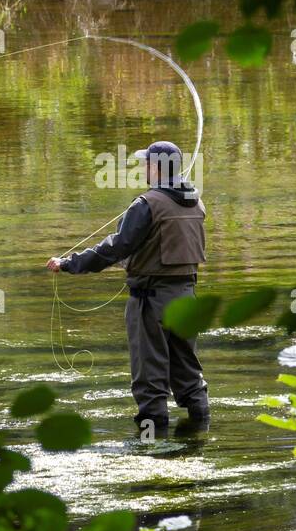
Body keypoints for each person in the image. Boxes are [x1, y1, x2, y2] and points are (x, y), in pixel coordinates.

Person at [47, 141, 209, 433]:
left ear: (157, 167)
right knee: (189, 377)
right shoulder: (197, 204)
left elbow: (114, 249)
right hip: (187, 298)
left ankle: (151, 450)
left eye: (146, 162)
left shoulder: (147, 204)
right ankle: (199, 439)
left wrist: (70, 263)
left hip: (151, 302)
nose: (143, 167)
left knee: (150, 381)